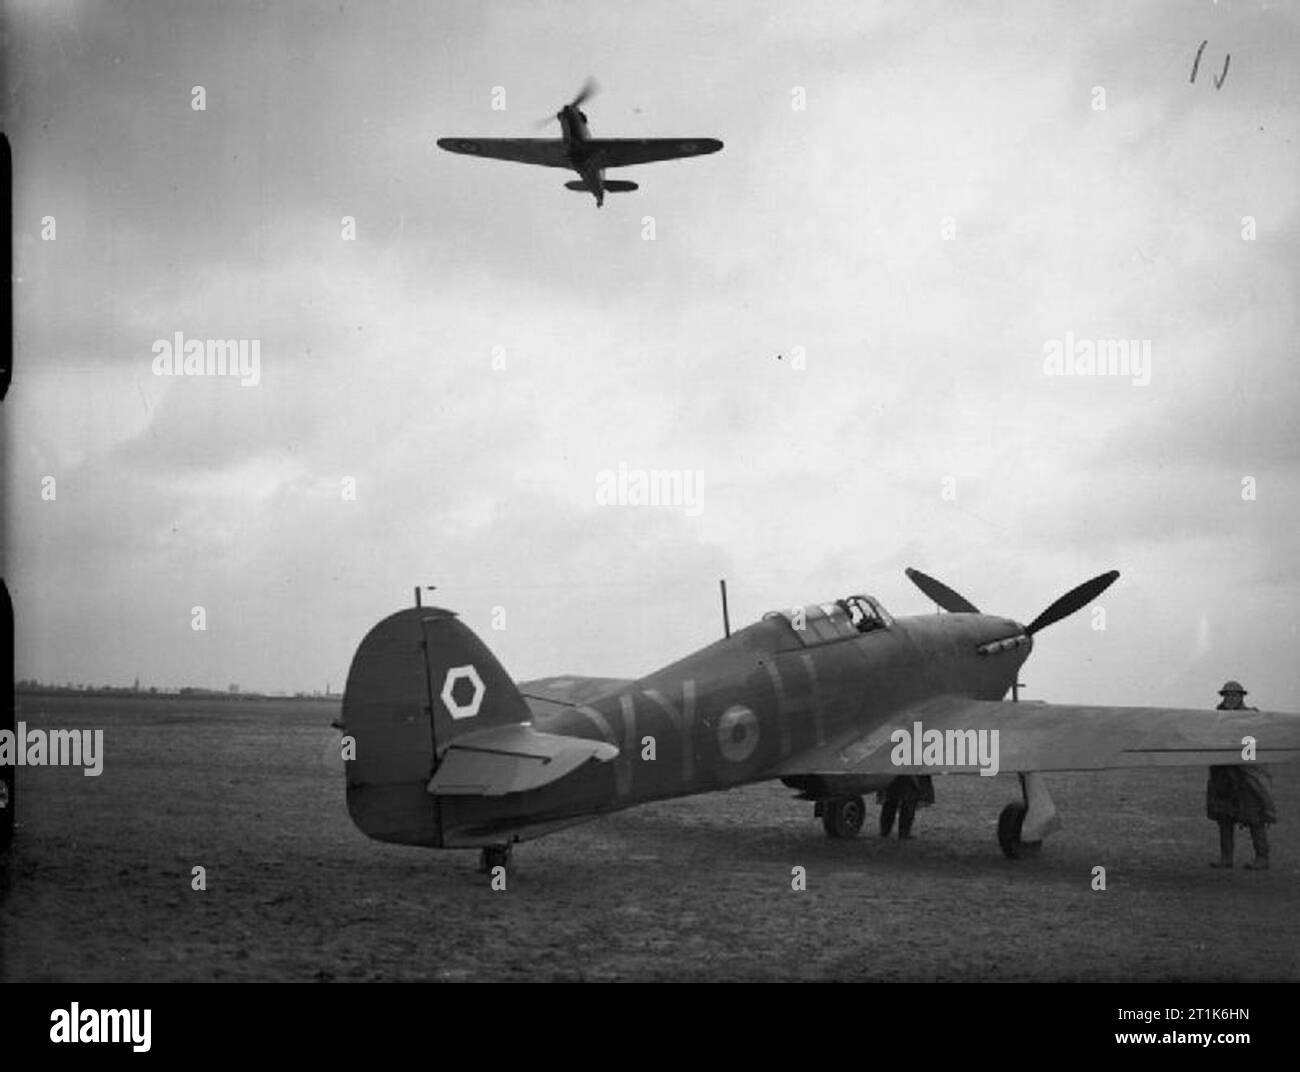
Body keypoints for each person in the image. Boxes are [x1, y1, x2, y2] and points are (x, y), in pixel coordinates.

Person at [1206, 680, 1275, 870]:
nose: (1231, 698)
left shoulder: (1252, 718)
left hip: (1245, 776)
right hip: (1222, 776)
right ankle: (1226, 858)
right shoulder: (1215, 718)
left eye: (1235, 695)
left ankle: (1262, 857)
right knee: (1224, 817)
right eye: (1227, 695)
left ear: (1241, 697)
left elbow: (1253, 747)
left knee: (1255, 817)